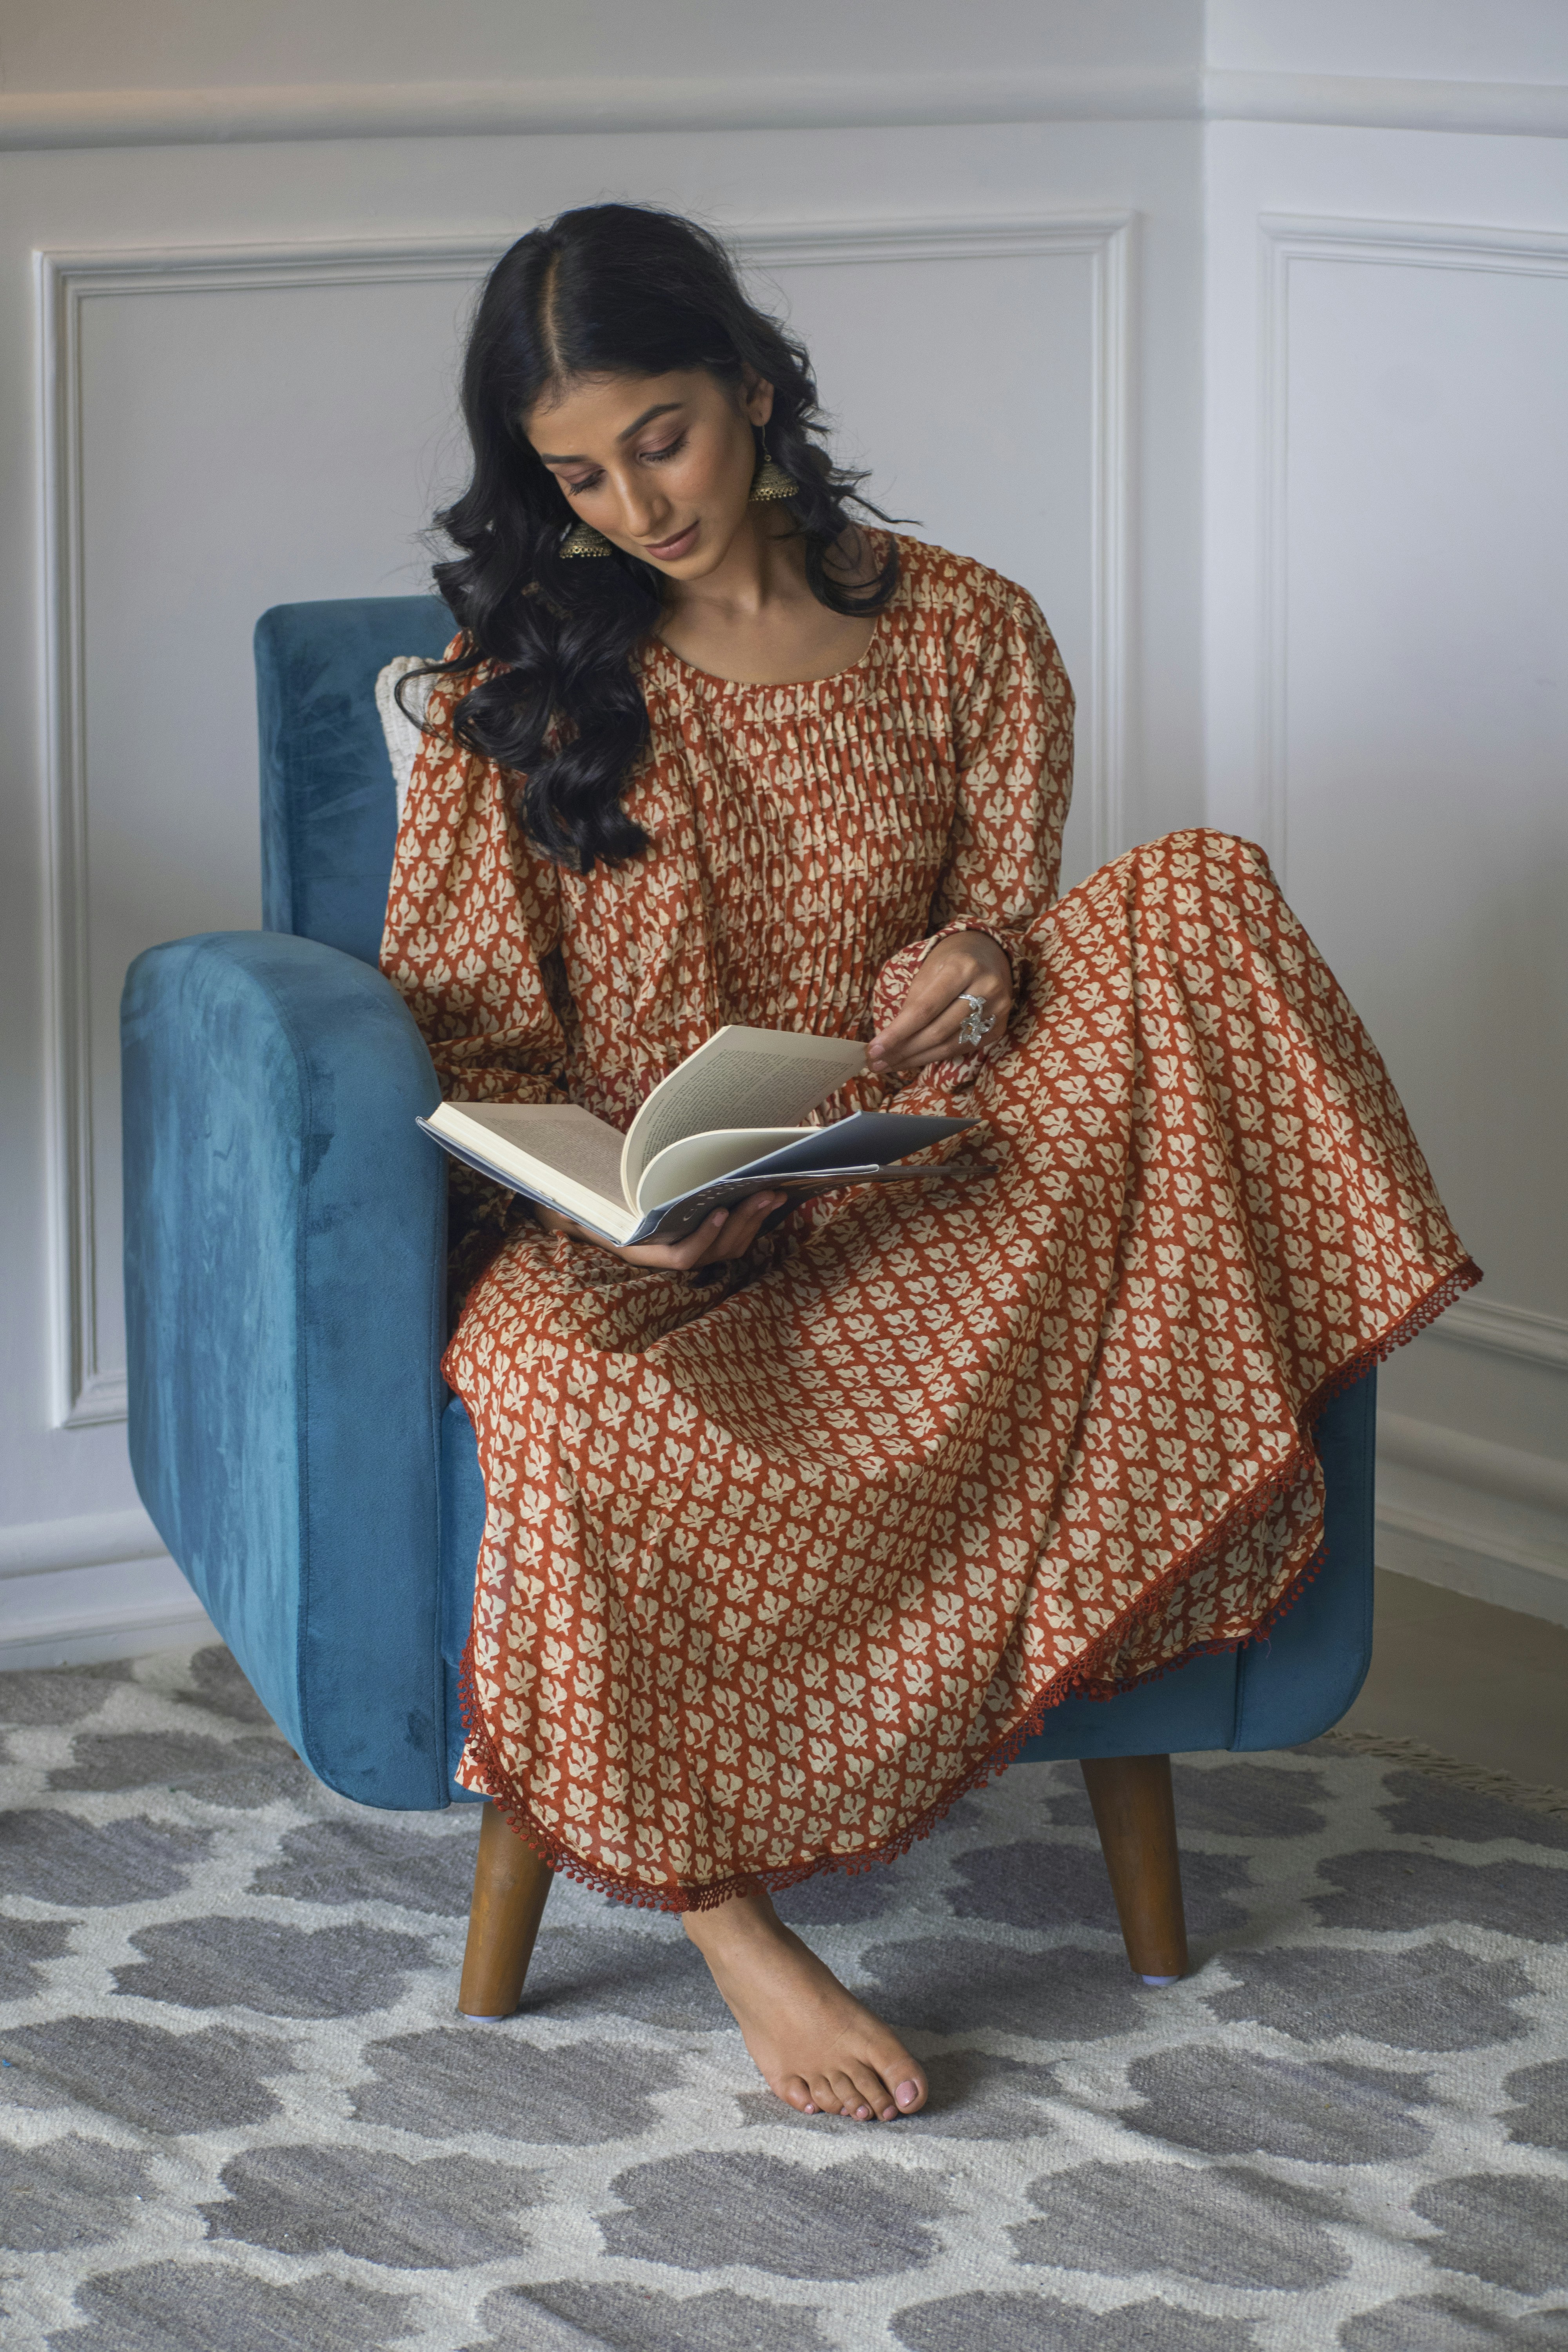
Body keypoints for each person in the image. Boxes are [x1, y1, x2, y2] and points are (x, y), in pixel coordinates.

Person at [382, 203, 1477, 2126]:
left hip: (924, 1193)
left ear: (757, 386)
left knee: (1196, 893)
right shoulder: (524, 687)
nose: (638, 503)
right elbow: (466, 1044)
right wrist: (614, 1217)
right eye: (577, 472)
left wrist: (987, 959)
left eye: (665, 437)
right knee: (547, 1387)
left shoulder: (970, 629)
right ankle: (727, 1921)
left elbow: (1001, 936)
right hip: (654, 1241)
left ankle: (1121, 1507)